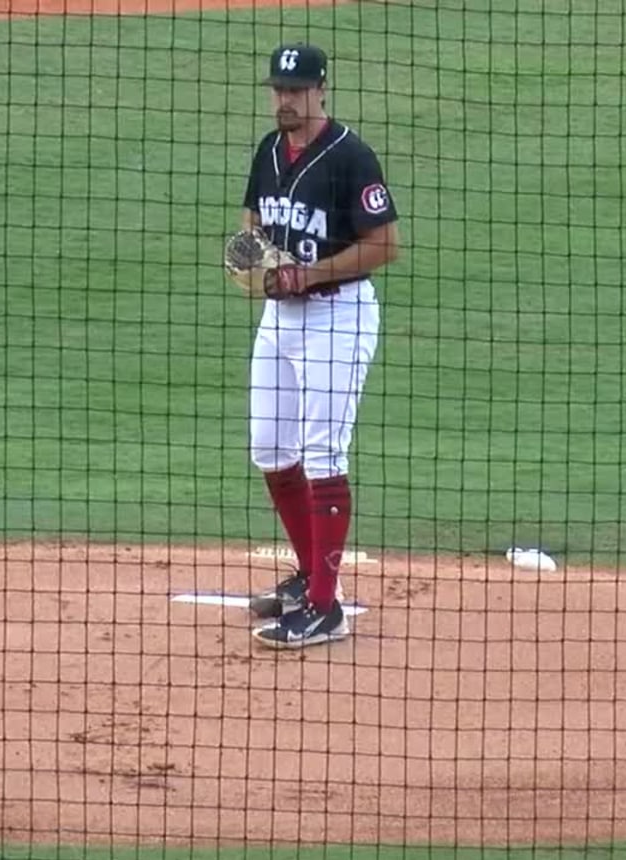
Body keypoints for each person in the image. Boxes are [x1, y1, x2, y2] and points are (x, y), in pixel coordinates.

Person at [237, 42, 401, 650]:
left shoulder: (350, 156)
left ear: (321, 90)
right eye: (279, 90)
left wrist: (307, 274)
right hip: (280, 320)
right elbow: (252, 218)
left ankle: (325, 610)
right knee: (272, 451)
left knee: (323, 455)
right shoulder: (269, 150)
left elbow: (384, 245)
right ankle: (309, 576)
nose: (286, 99)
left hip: (338, 317)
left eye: (297, 90)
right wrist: (251, 259)